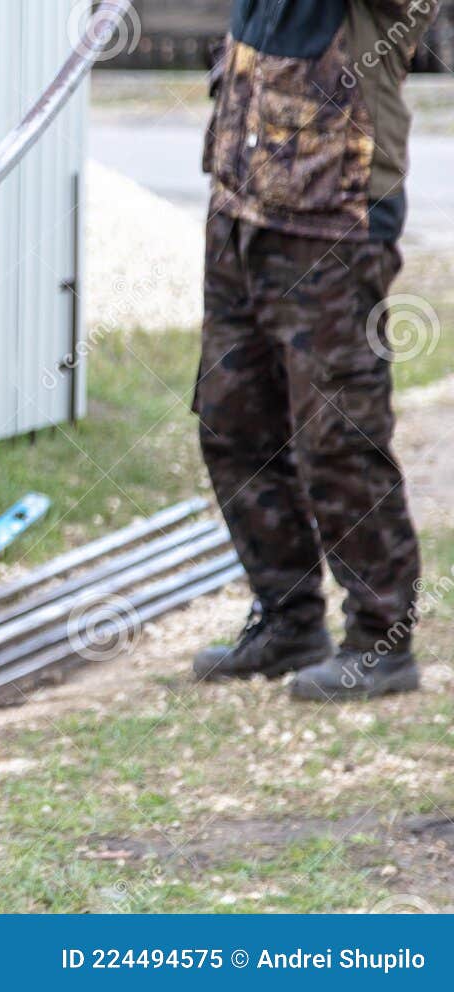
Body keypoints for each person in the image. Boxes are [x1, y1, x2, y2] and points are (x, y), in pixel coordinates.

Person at [191, 0, 439, 701]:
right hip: (241, 212)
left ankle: (380, 641)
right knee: (230, 422)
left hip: (335, 224)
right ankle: (288, 621)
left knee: (338, 436)